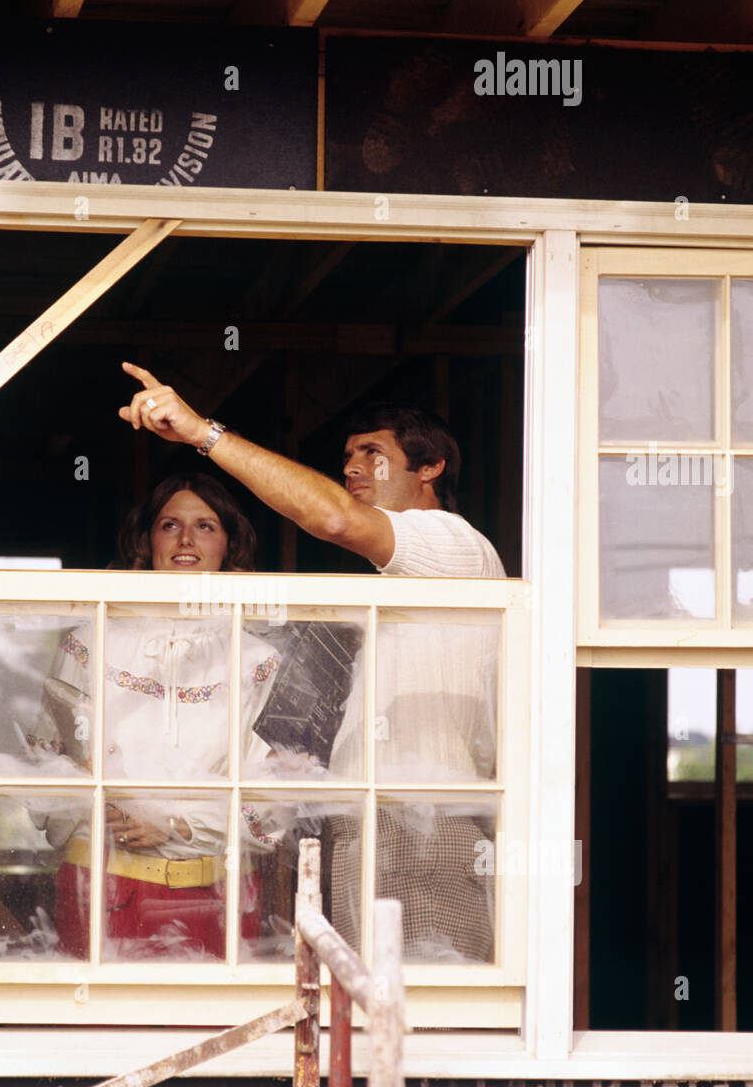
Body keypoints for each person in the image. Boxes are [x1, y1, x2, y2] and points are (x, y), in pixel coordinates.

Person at [117, 363, 505, 962]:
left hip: (426, 829)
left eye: (373, 454)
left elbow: (331, 519)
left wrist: (202, 433)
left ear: (431, 469)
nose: (351, 468)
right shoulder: (402, 578)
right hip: (370, 829)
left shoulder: (450, 543)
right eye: (347, 454)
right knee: (366, 1007)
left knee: (424, 1014)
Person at [27, 472, 281, 962]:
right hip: (101, 886)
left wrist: (180, 825)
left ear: (229, 543)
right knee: (100, 1030)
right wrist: (97, 801)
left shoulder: (260, 658)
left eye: (206, 526)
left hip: (222, 894)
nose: (186, 540)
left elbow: (281, 800)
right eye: (170, 525)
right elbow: (44, 768)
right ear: (146, 540)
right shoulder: (91, 637)